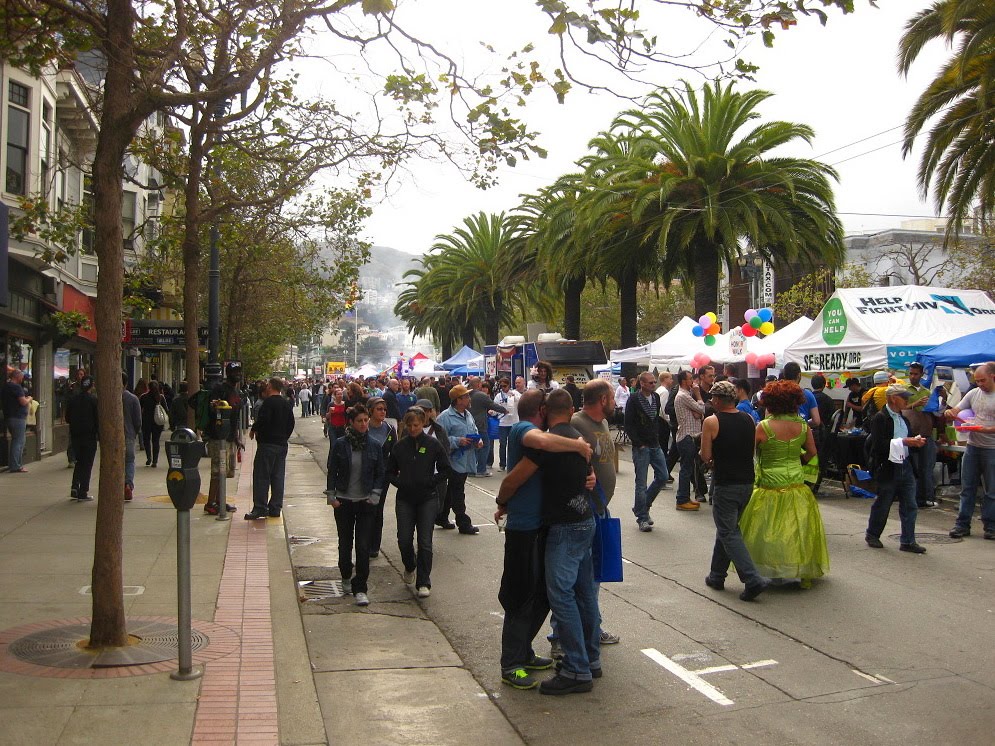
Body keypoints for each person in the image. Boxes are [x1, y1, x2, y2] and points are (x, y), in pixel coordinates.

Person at [533, 389, 599, 695]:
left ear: (546, 410)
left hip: (564, 525)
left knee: (562, 595)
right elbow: (590, 472)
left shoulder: (549, 441)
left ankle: (576, 668)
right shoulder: (580, 438)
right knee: (584, 592)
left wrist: (504, 499)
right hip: (585, 520)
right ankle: (590, 658)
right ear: (571, 409)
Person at [739, 380, 830, 588]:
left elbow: (750, 452)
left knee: (769, 529)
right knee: (796, 528)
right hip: (796, 483)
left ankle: (772, 569)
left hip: (769, 484)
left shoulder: (763, 427)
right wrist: (798, 461)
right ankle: (797, 570)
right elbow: (813, 452)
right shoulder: (802, 425)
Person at [699, 381, 769, 601]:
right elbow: (752, 450)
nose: (711, 402)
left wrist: (713, 462)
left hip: (726, 482)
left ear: (719, 400)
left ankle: (751, 578)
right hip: (747, 481)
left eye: (712, 398)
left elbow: (705, 455)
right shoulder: (748, 419)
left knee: (728, 531)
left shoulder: (712, 421)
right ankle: (716, 575)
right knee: (727, 528)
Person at [571, 378, 622, 645]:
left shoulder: (601, 422)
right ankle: (568, 634)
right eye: (612, 397)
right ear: (602, 399)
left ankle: (592, 626)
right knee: (582, 576)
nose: (615, 402)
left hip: (600, 507)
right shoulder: (577, 423)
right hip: (586, 507)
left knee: (594, 574)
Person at [386, 407, 452, 598]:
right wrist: (400, 482)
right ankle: (409, 565)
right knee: (404, 538)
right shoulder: (399, 447)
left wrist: (431, 481)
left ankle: (424, 580)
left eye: (416, 425)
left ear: (423, 424)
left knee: (425, 541)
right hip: (405, 498)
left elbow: (446, 469)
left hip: (427, 498)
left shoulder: (433, 444)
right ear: (405, 426)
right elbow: (389, 470)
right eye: (410, 425)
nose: (413, 429)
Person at [325, 404, 386, 606]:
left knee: (363, 545)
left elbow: (380, 473)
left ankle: (361, 587)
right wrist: (332, 496)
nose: (363, 424)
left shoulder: (375, 445)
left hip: (366, 502)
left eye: (366, 420)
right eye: (359, 421)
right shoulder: (341, 445)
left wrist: (375, 495)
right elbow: (332, 470)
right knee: (345, 543)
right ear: (351, 422)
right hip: (343, 502)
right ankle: (345, 575)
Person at [864, 385, 928, 553]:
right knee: (884, 502)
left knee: (910, 504)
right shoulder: (880, 418)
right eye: (903, 396)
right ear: (893, 398)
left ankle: (908, 540)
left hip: (905, 464)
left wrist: (915, 443)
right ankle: (873, 534)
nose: (907, 400)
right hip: (888, 466)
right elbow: (878, 446)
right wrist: (905, 442)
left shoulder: (903, 418)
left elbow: (907, 442)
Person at [945, 361, 995, 541]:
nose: (979, 384)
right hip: (973, 447)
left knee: (992, 490)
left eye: (982, 380)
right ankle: (962, 524)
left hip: (992, 448)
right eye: (977, 381)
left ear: (993, 376)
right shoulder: (974, 393)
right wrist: (951, 413)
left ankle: (991, 526)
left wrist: (983, 429)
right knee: (967, 487)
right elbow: (957, 409)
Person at [624, 371, 672, 530]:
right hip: (641, 446)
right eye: (650, 383)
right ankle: (642, 517)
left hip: (654, 443)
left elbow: (655, 418)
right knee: (641, 483)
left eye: (654, 382)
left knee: (663, 476)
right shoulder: (633, 399)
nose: (653, 385)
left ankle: (642, 506)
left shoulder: (656, 398)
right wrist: (638, 443)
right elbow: (628, 424)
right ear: (642, 383)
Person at [435, 384, 483, 533]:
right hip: (452, 460)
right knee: (457, 491)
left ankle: (441, 516)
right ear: (458, 400)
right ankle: (463, 522)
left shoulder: (468, 414)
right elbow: (438, 439)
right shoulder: (445, 417)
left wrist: (478, 440)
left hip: (466, 459)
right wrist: (457, 441)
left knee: (452, 490)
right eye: (466, 396)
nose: (469, 398)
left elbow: (473, 430)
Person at [246, 378, 296, 520]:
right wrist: (284, 437)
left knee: (262, 476)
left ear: (271, 386)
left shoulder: (268, 403)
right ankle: (275, 507)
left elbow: (263, 420)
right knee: (278, 476)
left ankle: (260, 507)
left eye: (267, 385)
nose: (266, 387)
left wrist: (255, 430)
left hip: (267, 444)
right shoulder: (285, 404)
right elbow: (291, 423)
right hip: (281, 445)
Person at [365, 397, 397, 559]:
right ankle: (364, 541)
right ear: (371, 411)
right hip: (364, 475)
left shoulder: (390, 429)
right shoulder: (364, 427)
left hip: (382, 476)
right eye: (379, 409)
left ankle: (374, 545)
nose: (383, 412)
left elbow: (395, 453)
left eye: (384, 409)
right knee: (365, 509)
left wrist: (392, 472)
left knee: (377, 509)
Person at [905, 362, 939, 509]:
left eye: (915, 374)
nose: (913, 376)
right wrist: (915, 404)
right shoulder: (903, 390)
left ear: (921, 375)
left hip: (926, 433)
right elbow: (899, 408)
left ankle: (926, 498)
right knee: (912, 467)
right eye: (911, 373)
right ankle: (910, 497)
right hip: (909, 434)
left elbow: (935, 412)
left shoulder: (927, 392)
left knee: (926, 468)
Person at [673, 369, 706, 509]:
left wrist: (698, 412)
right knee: (686, 469)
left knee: (689, 467)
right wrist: (698, 395)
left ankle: (685, 497)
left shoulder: (685, 395)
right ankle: (682, 499)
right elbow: (702, 409)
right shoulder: (683, 395)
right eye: (690, 378)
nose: (693, 381)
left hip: (689, 435)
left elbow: (699, 413)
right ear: (683, 381)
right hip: (687, 436)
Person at [65, 376, 98, 500]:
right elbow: (97, 419)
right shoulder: (93, 400)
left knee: (79, 462)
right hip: (89, 436)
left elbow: (67, 417)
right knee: (87, 464)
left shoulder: (73, 399)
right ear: (91, 386)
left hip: (75, 436)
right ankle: (83, 491)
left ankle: (75, 487)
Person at [467, 376, 506, 477]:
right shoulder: (481, 395)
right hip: (480, 425)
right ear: (479, 384)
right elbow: (493, 405)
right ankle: (481, 470)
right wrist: (504, 410)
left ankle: (471, 470)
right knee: (485, 446)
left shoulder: (466, 394)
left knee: (473, 447)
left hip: (469, 424)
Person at [2, 369, 32, 473]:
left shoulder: (6, 387)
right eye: (21, 376)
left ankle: (16, 464)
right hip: (18, 418)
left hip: (9, 417)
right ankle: (16, 466)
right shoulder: (16, 387)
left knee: (17, 440)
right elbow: (23, 402)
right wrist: (29, 399)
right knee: (18, 442)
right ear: (17, 376)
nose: (22, 378)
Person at [780, 362, 821, 427]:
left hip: (779, 433)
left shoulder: (776, 393)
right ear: (799, 375)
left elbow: (767, 417)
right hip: (801, 432)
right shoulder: (808, 394)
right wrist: (804, 423)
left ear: (784, 375)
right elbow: (816, 421)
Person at [494, 377, 521, 471]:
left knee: (512, 444)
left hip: (514, 422)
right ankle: (502, 464)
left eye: (505, 386)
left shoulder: (515, 393)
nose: (503, 388)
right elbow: (495, 407)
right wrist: (493, 412)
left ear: (509, 385)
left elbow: (521, 401)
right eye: (501, 386)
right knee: (503, 444)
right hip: (503, 423)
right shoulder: (498, 396)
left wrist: (514, 396)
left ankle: (512, 463)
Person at [123, 372, 142, 501]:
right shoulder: (133, 398)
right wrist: (135, 432)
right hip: (129, 435)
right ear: (126, 383)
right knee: (129, 461)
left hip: (112, 438)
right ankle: (128, 484)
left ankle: (116, 487)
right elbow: (138, 420)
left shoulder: (108, 398)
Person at [139, 381, 167, 467]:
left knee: (147, 440)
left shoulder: (144, 397)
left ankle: (149, 458)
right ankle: (155, 460)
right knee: (156, 441)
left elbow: (139, 409)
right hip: (157, 422)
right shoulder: (160, 397)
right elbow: (165, 409)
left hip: (146, 421)